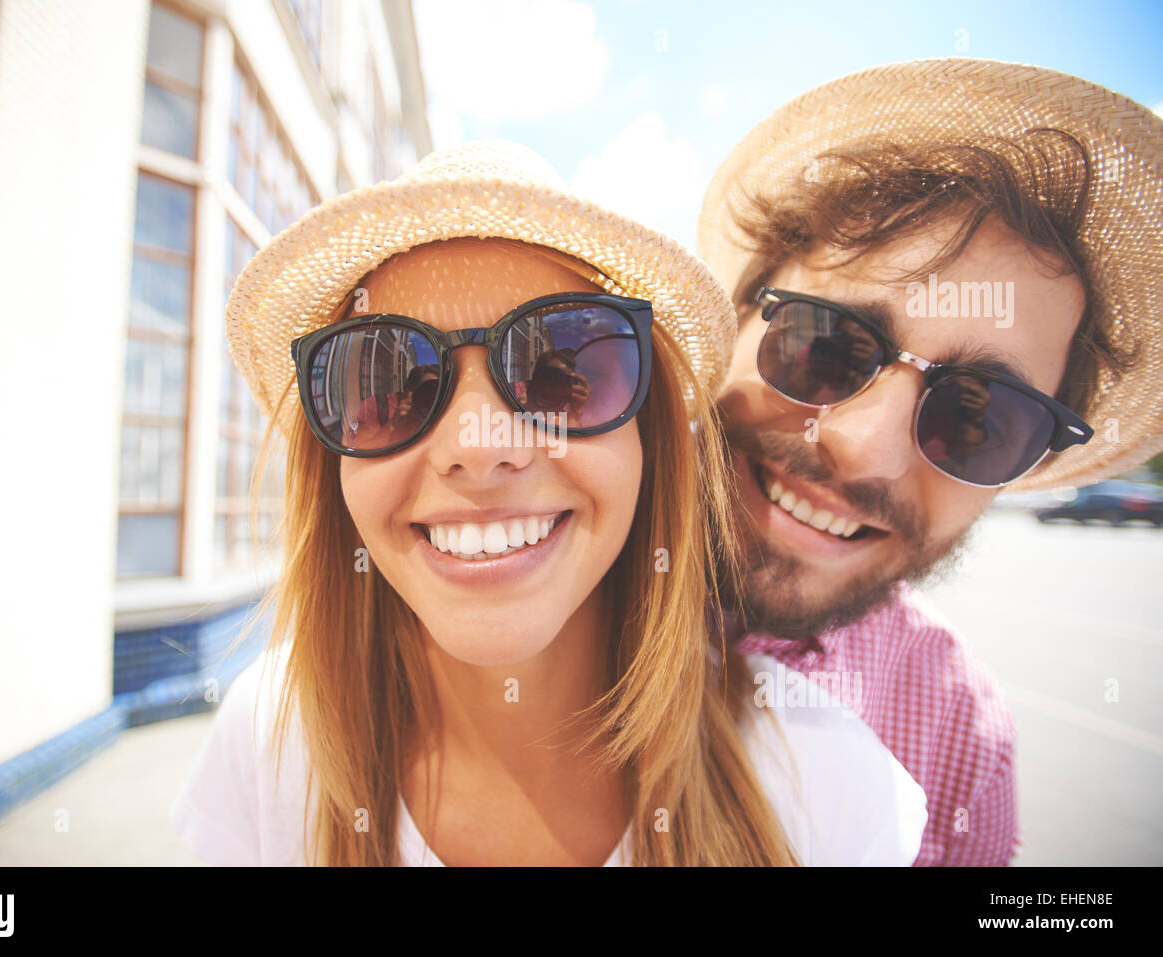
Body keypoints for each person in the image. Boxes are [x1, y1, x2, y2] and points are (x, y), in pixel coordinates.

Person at [169, 141, 926, 866]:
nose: (477, 443)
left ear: (650, 439)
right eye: (389, 388)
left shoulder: (833, 789)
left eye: (561, 370)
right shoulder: (263, 745)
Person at [695, 59, 1163, 865]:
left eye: (980, 417)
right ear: (735, 324)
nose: (866, 451)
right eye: (826, 346)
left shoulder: (958, 740)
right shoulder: (502, 570)